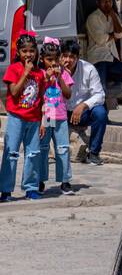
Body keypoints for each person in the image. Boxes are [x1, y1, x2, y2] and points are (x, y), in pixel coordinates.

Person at [2, 33, 45, 201]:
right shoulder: (14, 69)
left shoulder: (40, 73)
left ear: (36, 52)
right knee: (11, 153)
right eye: (24, 50)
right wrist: (25, 73)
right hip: (16, 118)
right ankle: (6, 190)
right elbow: (13, 91)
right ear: (18, 52)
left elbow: (41, 99)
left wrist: (42, 121)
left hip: (34, 120)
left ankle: (31, 188)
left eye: (32, 50)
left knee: (33, 153)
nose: (28, 54)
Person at [61, 38, 109, 166]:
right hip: (61, 113)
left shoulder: (89, 69)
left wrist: (83, 105)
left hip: (82, 114)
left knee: (100, 112)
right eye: (64, 56)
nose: (67, 60)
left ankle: (94, 153)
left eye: (71, 57)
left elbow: (100, 95)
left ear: (77, 57)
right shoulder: (56, 70)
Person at [35, 37, 74, 195]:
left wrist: (59, 78)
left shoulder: (64, 74)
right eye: (48, 59)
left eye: (55, 59)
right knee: (43, 148)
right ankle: (41, 180)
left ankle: (65, 180)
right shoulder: (41, 74)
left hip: (61, 116)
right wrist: (46, 79)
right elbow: (38, 93)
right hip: (47, 114)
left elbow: (68, 94)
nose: (52, 63)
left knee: (63, 148)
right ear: (42, 59)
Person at [85, 0, 122, 94]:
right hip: (98, 57)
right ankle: (100, 105)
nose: (107, 3)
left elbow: (120, 33)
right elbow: (100, 39)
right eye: (104, 0)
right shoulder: (93, 17)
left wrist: (113, 15)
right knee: (101, 89)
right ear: (98, 3)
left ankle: (106, 82)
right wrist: (114, 35)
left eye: (110, 1)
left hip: (111, 56)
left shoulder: (113, 16)